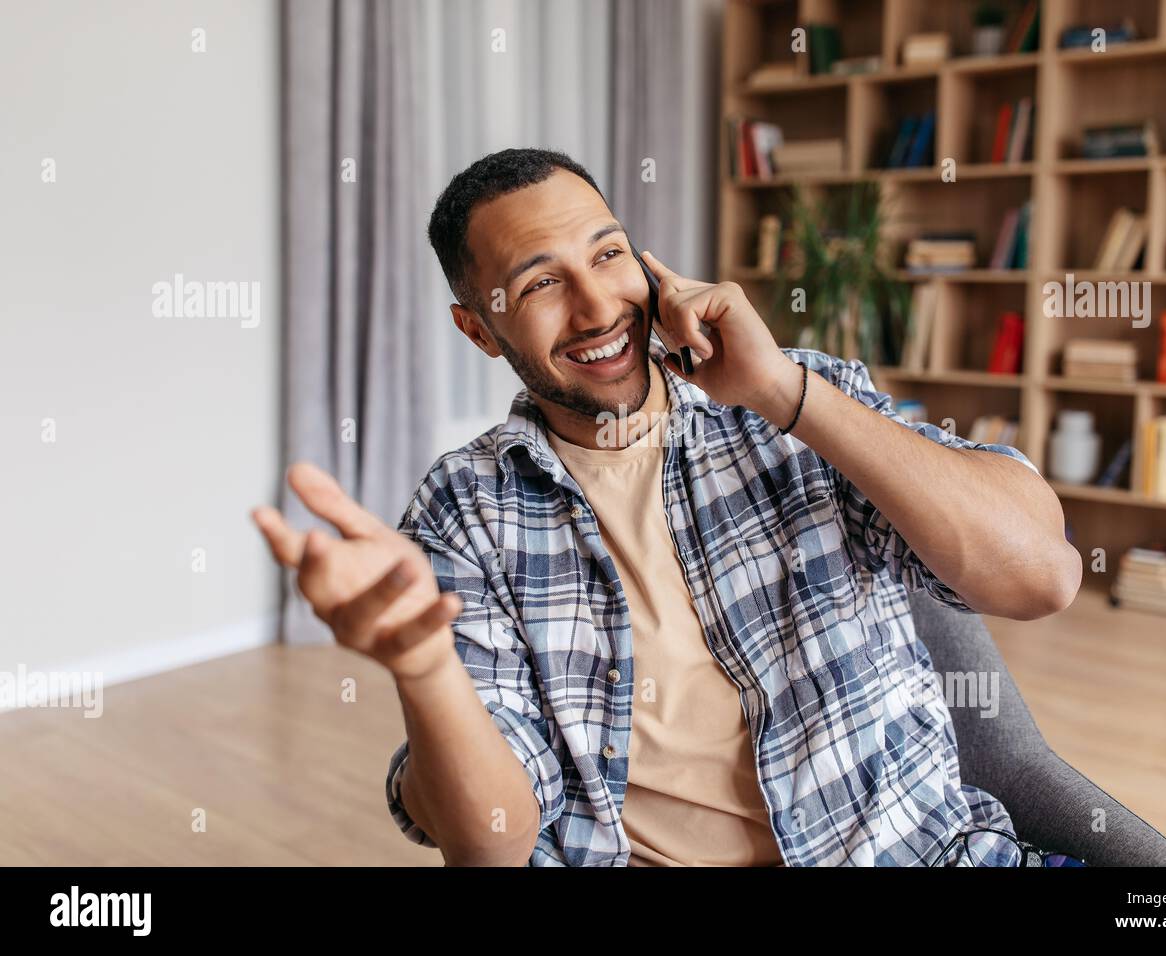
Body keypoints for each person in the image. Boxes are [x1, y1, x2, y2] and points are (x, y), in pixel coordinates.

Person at [252, 147, 1082, 866]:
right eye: (541, 282)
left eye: (607, 254)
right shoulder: (467, 511)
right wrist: (422, 664)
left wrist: (781, 391)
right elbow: (491, 845)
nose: (597, 307)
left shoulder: (793, 403)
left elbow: (1042, 578)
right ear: (478, 329)